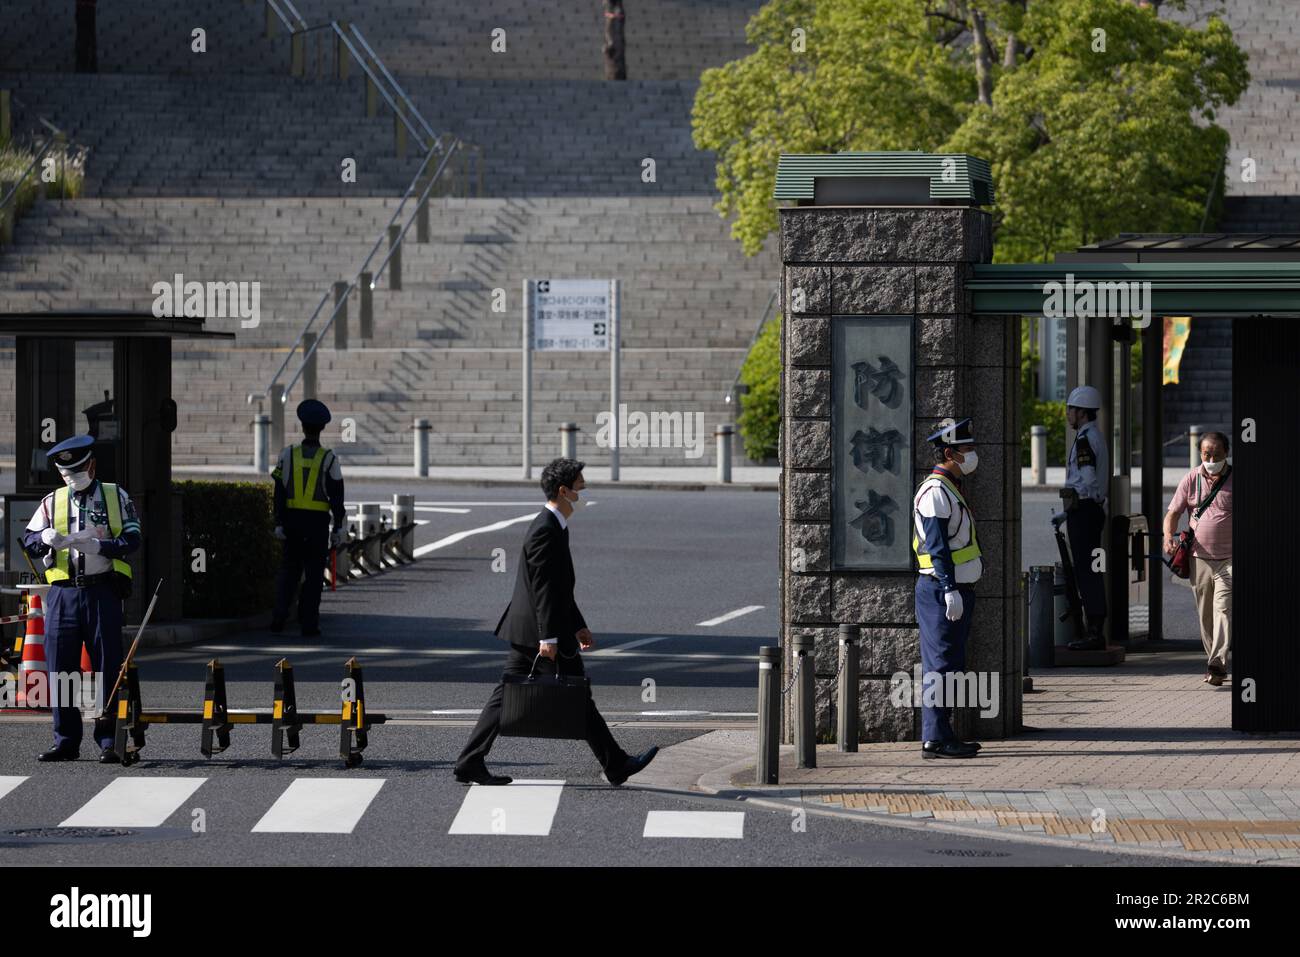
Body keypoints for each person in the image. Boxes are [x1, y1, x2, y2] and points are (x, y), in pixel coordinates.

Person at [454, 458, 658, 786]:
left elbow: (559, 587)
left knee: (515, 695)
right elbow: (544, 588)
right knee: (569, 695)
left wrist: (578, 624)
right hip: (538, 631)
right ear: (563, 491)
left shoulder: (554, 526)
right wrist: (547, 637)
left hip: (536, 628)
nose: (583, 492)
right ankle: (616, 764)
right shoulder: (545, 529)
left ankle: (470, 761)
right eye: (579, 487)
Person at [22, 435, 141, 763]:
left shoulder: (115, 496)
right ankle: (66, 740)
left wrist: (101, 546)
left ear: (91, 464)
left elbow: (133, 537)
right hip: (63, 594)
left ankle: (109, 739)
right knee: (61, 668)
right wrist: (44, 539)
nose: (72, 478)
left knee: (108, 667)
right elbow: (29, 539)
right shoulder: (52, 501)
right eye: (66, 474)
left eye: (77, 471)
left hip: (102, 590)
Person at [912, 418, 984, 759]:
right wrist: (949, 588)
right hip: (940, 592)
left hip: (955, 591)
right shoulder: (935, 492)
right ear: (948, 453)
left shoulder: (951, 487)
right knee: (940, 664)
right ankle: (935, 738)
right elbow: (937, 547)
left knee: (951, 665)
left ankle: (944, 733)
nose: (972, 455)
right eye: (966, 449)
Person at [270, 399, 346, 637]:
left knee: (288, 572)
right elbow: (337, 496)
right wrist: (339, 528)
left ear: (302, 426)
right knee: (314, 576)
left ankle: (278, 620)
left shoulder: (287, 454)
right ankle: (309, 624)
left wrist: (278, 522)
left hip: (292, 522)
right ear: (322, 429)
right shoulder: (329, 458)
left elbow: (279, 492)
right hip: (317, 524)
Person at [1163, 431, 1233, 686]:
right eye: (1206, 454)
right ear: (1200, 453)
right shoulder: (1192, 478)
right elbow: (1173, 513)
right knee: (1205, 615)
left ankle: (1217, 663)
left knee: (1223, 609)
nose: (1211, 458)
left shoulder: (1236, 478)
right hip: (1199, 558)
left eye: (1216, 454)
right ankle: (1214, 663)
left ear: (1226, 453)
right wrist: (1167, 537)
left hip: (1229, 559)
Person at [1060, 385, 1109, 651]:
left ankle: (1093, 632)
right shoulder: (1094, 436)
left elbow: (1087, 479)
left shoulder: (1084, 440)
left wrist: (1081, 502)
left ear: (1081, 413)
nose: (1068, 415)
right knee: (1090, 569)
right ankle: (1093, 627)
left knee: (1086, 571)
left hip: (1085, 510)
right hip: (1087, 509)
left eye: (1071, 410)